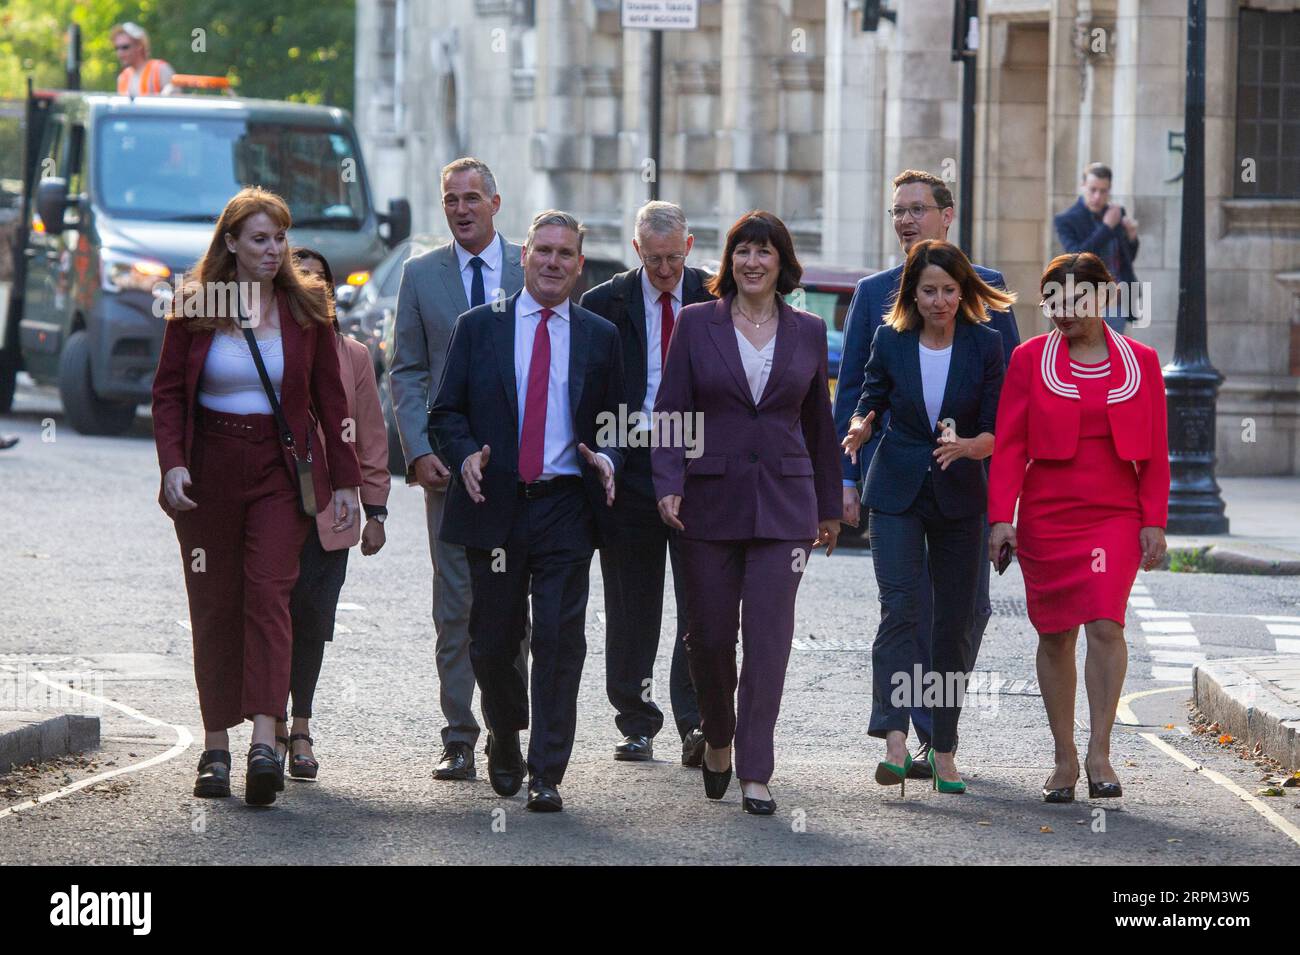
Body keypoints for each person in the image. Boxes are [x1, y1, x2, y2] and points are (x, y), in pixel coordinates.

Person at [152, 187, 360, 806]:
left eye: (280, 239)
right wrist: (172, 465)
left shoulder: (306, 307)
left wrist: (347, 484)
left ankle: (264, 744)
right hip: (210, 468)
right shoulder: (195, 305)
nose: (274, 251)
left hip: (279, 468)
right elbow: (166, 395)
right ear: (232, 244)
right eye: (260, 240)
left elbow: (332, 401)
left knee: (271, 593)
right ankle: (216, 747)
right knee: (215, 601)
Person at [428, 210, 624, 813]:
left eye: (566, 254)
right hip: (497, 505)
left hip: (566, 504)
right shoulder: (479, 326)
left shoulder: (599, 335)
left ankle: (547, 770)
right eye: (543, 251)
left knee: (562, 640)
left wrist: (611, 455)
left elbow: (619, 421)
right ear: (524, 256)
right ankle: (505, 735)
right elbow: (444, 414)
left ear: (579, 265)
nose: (553, 263)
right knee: (491, 640)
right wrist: (463, 456)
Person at [652, 210, 841, 815]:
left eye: (764, 253)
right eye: (742, 252)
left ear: (782, 264)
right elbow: (671, 410)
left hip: (785, 506)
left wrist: (830, 508)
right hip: (706, 502)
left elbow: (819, 426)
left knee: (769, 640)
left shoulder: (808, 330)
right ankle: (719, 735)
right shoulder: (694, 323)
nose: (752, 263)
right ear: (728, 262)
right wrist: (668, 479)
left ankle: (756, 768)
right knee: (708, 638)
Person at [833, 168, 1019, 780]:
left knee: (964, 614)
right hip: (899, 483)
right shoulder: (875, 294)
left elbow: (1009, 408)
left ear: (947, 214)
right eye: (897, 211)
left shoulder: (986, 293)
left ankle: (937, 731)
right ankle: (910, 736)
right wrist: (845, 476)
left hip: (966, 491)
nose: (906, 220)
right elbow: (858, 396)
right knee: (903, 607)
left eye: (917, 208)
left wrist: (1003, 508)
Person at [988, 252, 1168, 802]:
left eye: (1075, 301)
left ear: (1106, 297)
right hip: (1048, 515)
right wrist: (1002, 518)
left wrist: (1154, 521)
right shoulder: (1027, 360)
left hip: (1115, 515)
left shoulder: (1144, 361)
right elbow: (1011, 446)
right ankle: (1064, 757)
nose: (1062, 313)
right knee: (1055, 632)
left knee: (1106, 625)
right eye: (1053, 302)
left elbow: (1157, 452)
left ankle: (1100, 753)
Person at [389, 157, 528, 782]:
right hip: (447, 466)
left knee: (515, 607)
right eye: (451, 200)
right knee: (456, 605)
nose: (462, 208)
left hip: (522, 470)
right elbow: (408, 371)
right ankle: (459, 734)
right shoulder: (421, 275)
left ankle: (509, 731)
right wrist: (418, 451)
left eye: (473, 197)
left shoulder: (535, 266)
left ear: (496, 203)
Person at [578, 200, 714, 766]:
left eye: (673, 258)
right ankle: (636, 720)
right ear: (636, 250)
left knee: (701, 601)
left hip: (698, 465)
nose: (664, 271)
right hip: (629, 466)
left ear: (689, 245)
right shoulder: (603, 302)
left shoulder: (716, 296)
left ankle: (694, 724)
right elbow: (584, 394)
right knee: (632, 603)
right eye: (653, 259)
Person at [270, 248, 390, 780]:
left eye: (321, 281)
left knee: (312, 621)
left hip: (331, 512)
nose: (313, 289)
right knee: (271, 616)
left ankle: (300, 726)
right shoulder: (263, 348)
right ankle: (266, 725)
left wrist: (376, 508)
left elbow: (369, 434)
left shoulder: (354, 356)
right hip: (272, 504)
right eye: (302, 280)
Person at [1054, 163, 1140, 332]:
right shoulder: (1066, 220)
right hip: (1084, 300)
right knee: (1085, 352)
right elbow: (1076, 257)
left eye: (1103, 191)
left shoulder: (1116, 213)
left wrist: (1131, 238)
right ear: (1083, 186)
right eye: (1093, 189)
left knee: (1114, 352)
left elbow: (1127, 258)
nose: (1097, 196)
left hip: (1116, 299)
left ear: (1109, 190)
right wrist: (1107, 228)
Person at [111, 22, 174, 96]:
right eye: (117, 48)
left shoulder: (160, 69)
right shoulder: (123, 78)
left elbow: (176, 103)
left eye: (125, 47)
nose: (120, 53)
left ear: (139, 45)